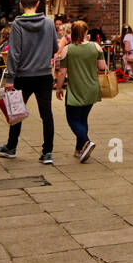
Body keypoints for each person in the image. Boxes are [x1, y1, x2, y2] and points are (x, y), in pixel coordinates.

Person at [0, 0, 59, 164]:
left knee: (16, 111)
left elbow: (14, 53)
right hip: (44, 74)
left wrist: (10, 78)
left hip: (23, 76)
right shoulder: (49, 23)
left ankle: (11, 147)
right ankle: (47, 153)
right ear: (38, 4)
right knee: (47, 115)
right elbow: (54, 48)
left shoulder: (17, 24)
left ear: (21, 5)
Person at [54, 20, 105, 162]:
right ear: (86, 32)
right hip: (92, 88)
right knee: (82, 119)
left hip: (75, 89)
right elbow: (102, 67)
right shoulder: (96, 46)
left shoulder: (67, 49)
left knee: (72, 120)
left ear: (72, 33)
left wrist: (58, 88)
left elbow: (62, 72)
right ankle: (78, 149)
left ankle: (86, 141)